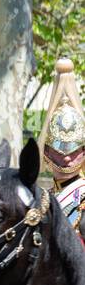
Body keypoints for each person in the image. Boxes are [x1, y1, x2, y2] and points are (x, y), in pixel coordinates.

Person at [40, 56, 84, 234]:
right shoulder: (44, 198)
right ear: (47, 153)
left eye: (74, 151)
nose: (66, 157)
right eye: (59, 151)